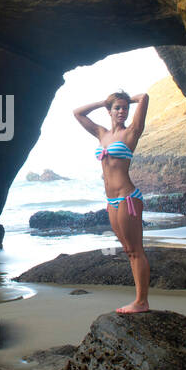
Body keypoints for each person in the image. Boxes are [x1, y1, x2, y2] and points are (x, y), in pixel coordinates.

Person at [72, 89, 150, 313]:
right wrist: (104, 102)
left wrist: (129, 99)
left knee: (136, 250)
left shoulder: (132, 132)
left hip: (127, 198)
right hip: (112, 201)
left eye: (125, 108)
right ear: (109, 111)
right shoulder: (101, 134)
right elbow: (77, 113)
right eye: (117, 108)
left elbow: (144, 97)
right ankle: (139, 299)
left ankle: (142, 301)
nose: (122, 111)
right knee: (128, 250)